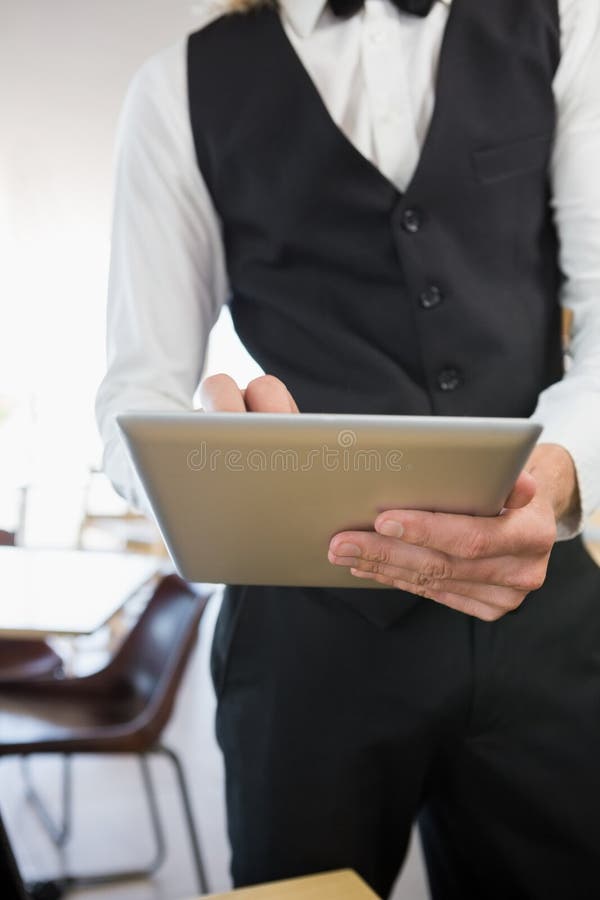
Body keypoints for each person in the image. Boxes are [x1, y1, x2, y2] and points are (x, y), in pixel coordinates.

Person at [96, 1, 600, 897]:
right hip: (306, 648)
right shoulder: (173, 90)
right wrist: (209, 471)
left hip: (549, 626)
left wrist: (555, 481)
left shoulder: (568, 27)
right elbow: (138, 389)